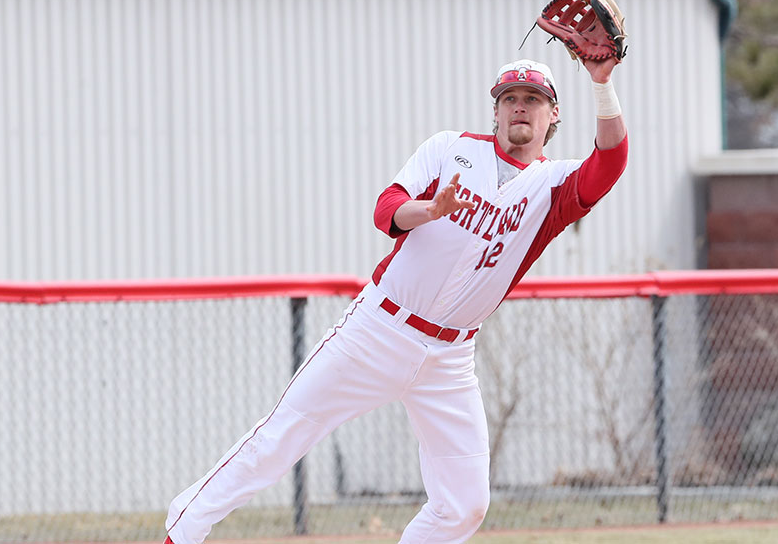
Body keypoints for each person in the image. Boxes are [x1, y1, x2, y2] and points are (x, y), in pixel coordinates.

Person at [164, 56, 628, 544]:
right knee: (279, 438)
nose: (519, 107)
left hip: (450, 358)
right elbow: (386, 208)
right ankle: (182, 530)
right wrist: (429, 209)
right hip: (377, 331)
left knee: (465, 504)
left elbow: (610, 163)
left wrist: (601, 83)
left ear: (553, 114)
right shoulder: (450, 150)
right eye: (508, 98)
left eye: (532, 99)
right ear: (494, 110)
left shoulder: (553, 186)